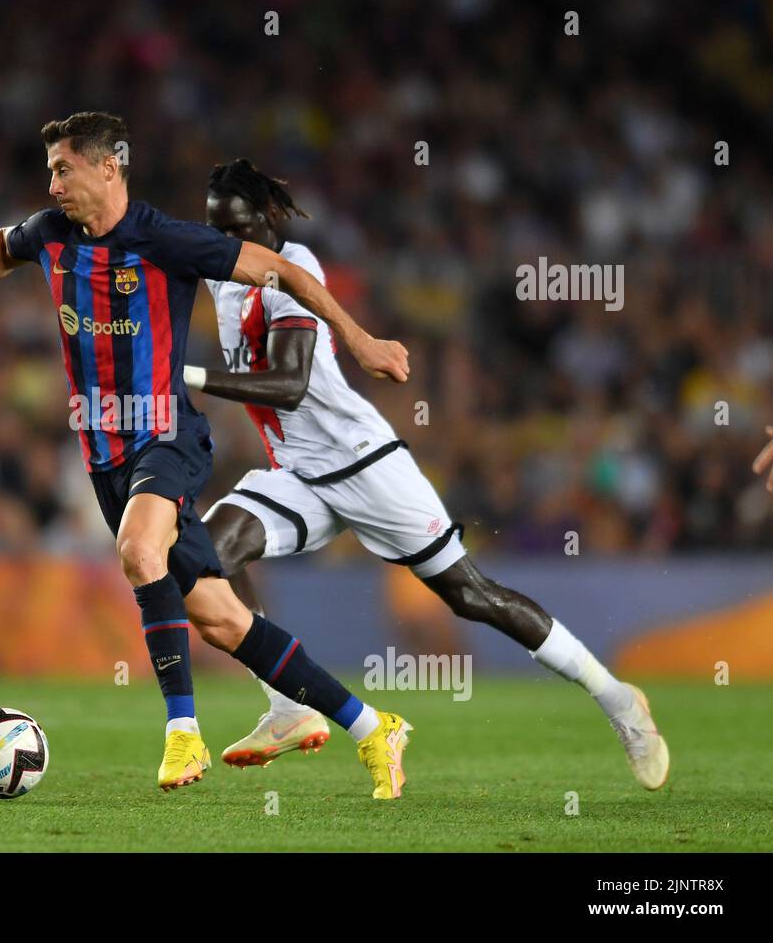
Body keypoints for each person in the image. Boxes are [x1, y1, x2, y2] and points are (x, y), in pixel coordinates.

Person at [0, 113, 416, 798]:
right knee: (223, 620)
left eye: (63, 169)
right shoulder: (51, 233)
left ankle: (181, 730)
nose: (52, 184)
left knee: (141, 553)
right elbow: (2, 245)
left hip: (168, 437)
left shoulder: (167, 239)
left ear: (109, 168)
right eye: (49, 171)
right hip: (105, 457)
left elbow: (283, 271)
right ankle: (374, 726)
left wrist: (363, 340)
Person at [183, 158, 669, 791]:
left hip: (360, 461)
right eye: (217, 231)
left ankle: (618, 700)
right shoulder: (223, 274)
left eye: (238, 229)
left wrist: (183, 377)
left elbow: (289, 385)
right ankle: (288, 707)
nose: (228, 244)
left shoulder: (292, 270)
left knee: (470, 594)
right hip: (296, 473)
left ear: (269, 219)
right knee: (203, 554)